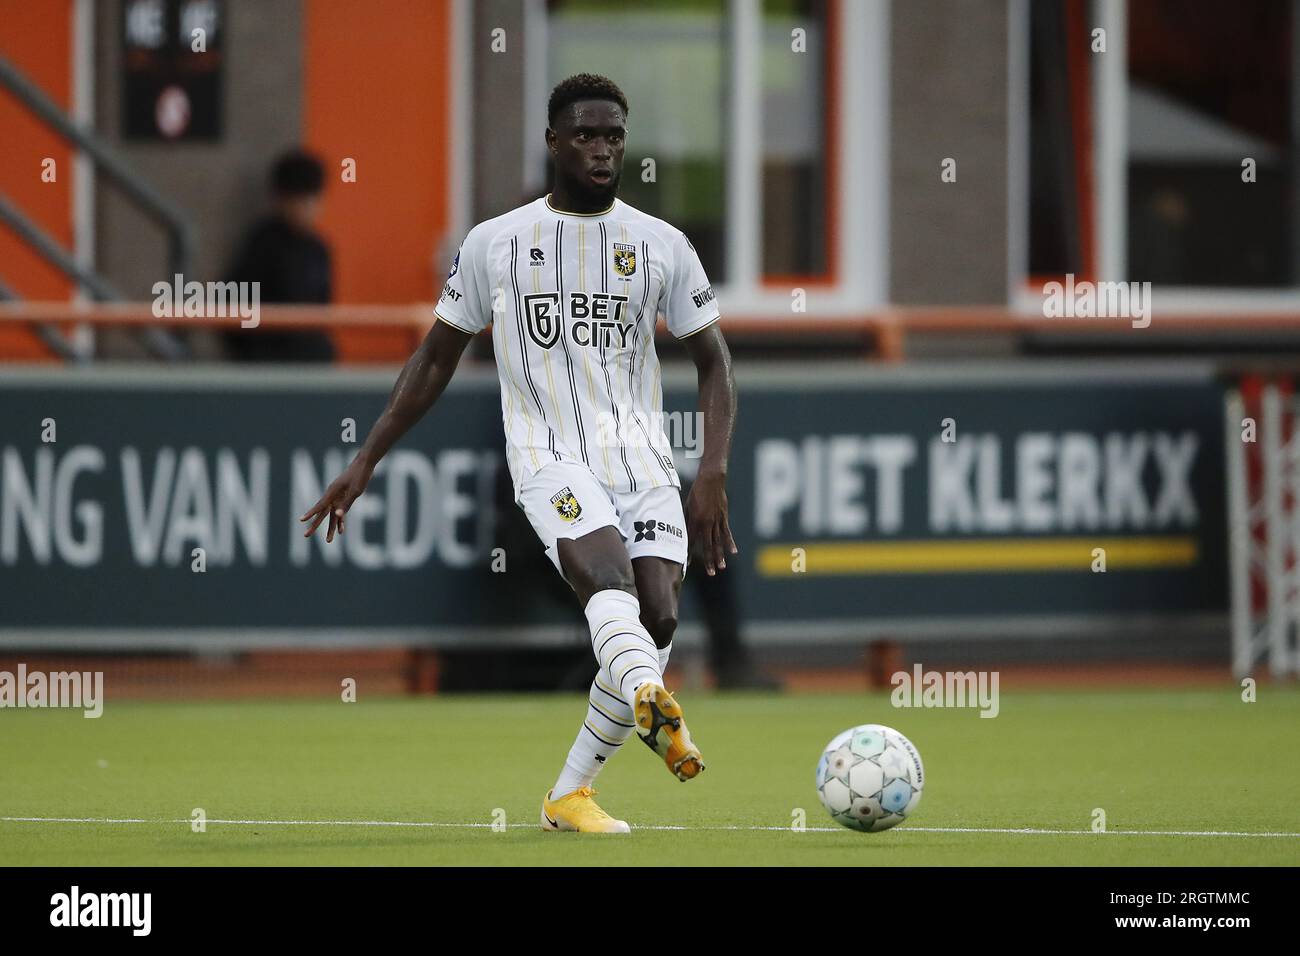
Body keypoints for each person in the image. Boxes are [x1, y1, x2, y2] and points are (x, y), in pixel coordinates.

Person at [301, 74, 738, 833]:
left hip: (643, 459)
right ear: (552, 142)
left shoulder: (662, 246)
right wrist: (368, 456)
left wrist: (712, 471)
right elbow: (434, 358)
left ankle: (571, 792)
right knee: (605, 581)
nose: (601, 150)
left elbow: (716, 366)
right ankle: (651, 700)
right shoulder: (496, 243)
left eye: (613, 137)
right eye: (585, 136)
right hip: (548, 455)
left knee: (659, 618)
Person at [223, 150, 336, 362]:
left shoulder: (319, 249)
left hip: (313, 361)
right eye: (301, 200)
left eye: (314, 199)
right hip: (268, 364)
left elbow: (324, 308)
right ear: (281, 200)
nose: (309, 208)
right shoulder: (261, 244)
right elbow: (231, 303)